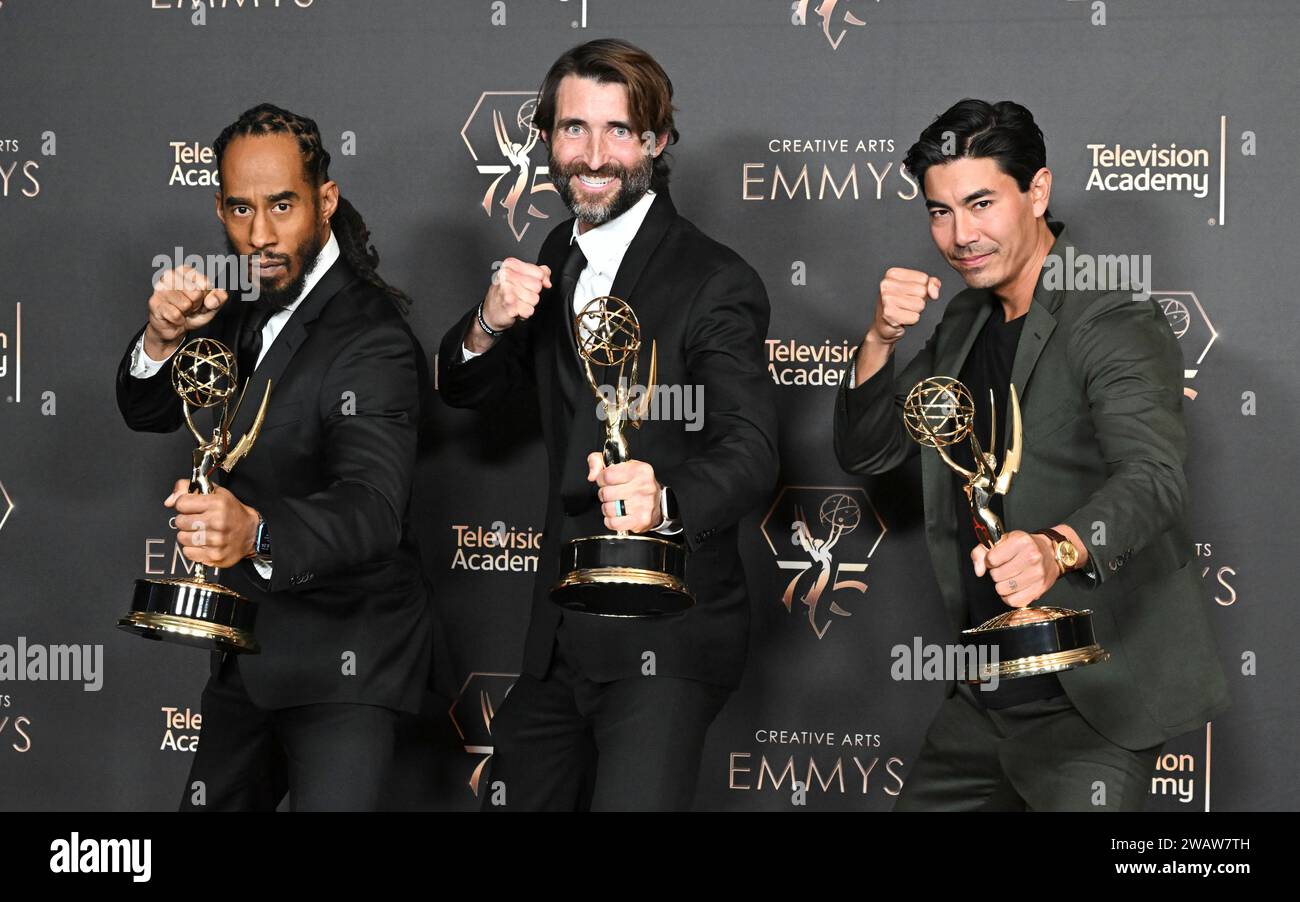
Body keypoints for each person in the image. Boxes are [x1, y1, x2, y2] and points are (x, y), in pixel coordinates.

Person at [834, 98, 1229, 811]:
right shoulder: (963, 319)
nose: (960, 236)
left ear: (1037, 191)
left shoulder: (1108, 313)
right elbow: (870, 452)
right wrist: (879, 341)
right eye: (940, 211)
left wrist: (1058, 547)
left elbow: (1155, 477)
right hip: (985, 697)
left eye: (981, 203)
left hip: (1095, 706)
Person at [438, 39, 778, 811]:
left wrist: (665, 500)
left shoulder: (715, 279)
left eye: (619, 131)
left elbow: (752, 450)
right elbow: (462, 390)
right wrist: (487, 323)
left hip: (669, 629)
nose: (593, 155)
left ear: (656, 143)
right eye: (573, 130)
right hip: (558, 634)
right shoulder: (556, 252)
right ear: (548, 141)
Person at [116, 103, 433, 811]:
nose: (260, 235)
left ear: (325, 200)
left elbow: (374, 508)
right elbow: (146, 411)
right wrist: (162, 340)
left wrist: (255, 531)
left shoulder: (372, 339)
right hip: (249, 652)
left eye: (283, 205)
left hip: (347, 664)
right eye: (240, 209)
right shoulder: (236, 305)